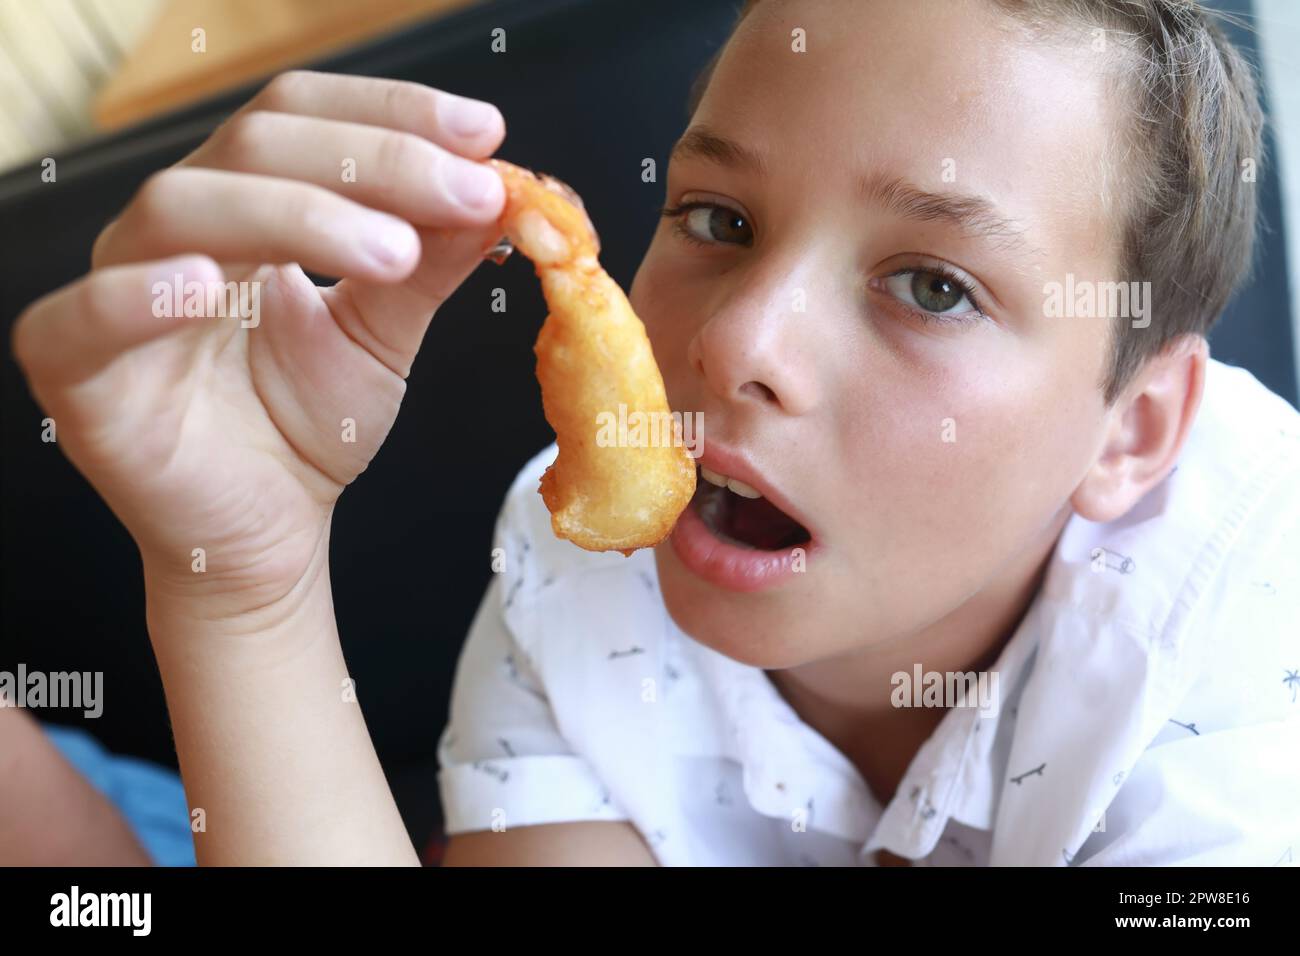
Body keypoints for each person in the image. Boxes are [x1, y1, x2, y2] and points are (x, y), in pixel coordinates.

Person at [11, 0, 1298, 865]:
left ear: (1130, 430)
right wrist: (250, 584)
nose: (737, 343)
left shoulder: (1238, 687)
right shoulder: (577, 555)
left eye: (933, 285)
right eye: (719, 221)